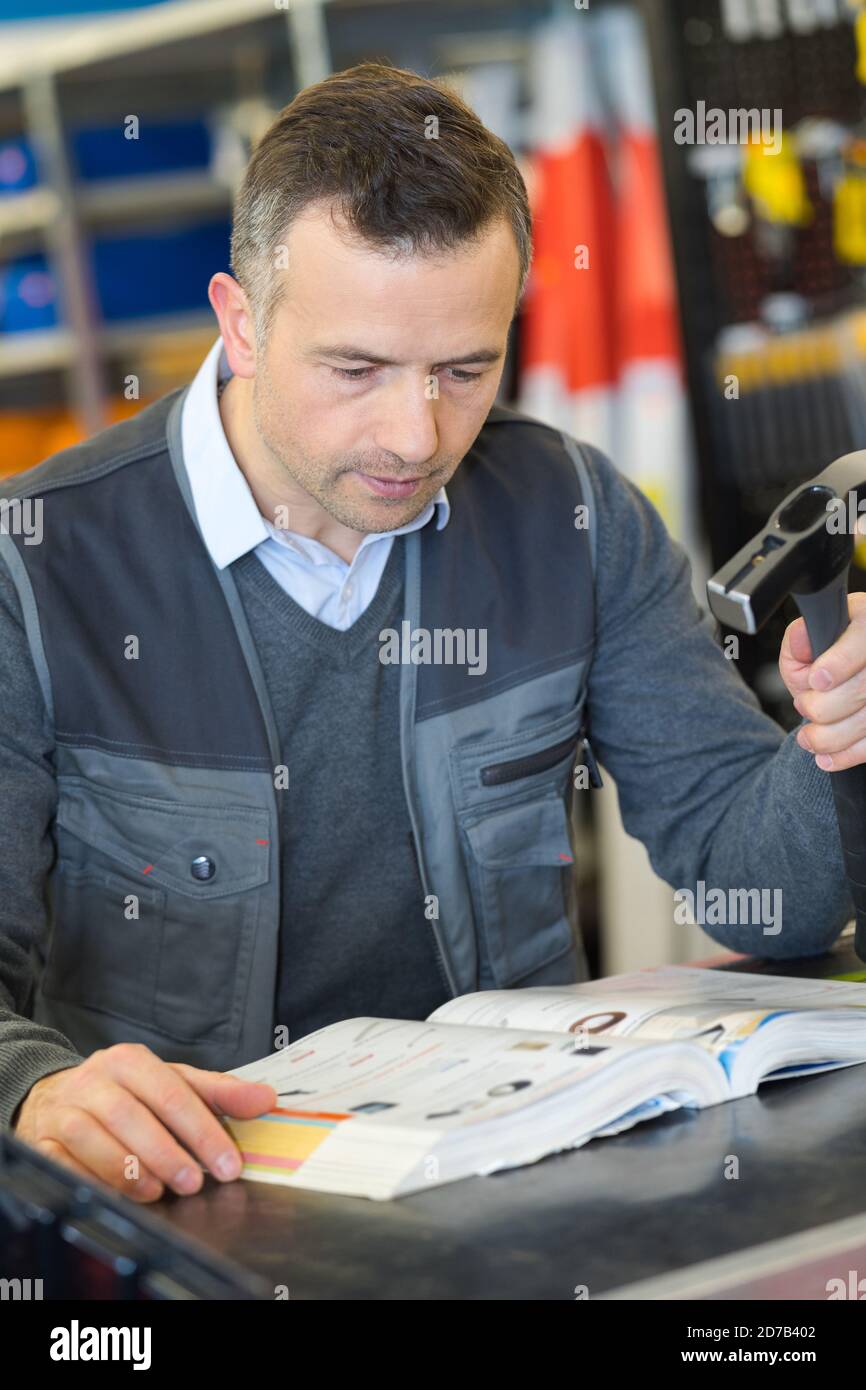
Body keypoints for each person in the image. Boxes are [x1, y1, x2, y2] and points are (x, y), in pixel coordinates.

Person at [0, 63, 857, 1205]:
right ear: (241, 323)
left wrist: (837, 741)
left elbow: (765, 885)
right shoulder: (36, 567)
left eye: (466, 368)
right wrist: (32, 1089)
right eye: (356, 370)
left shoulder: (572, 515)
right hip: (199, 1223)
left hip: (513, 1198)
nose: (415, 434)